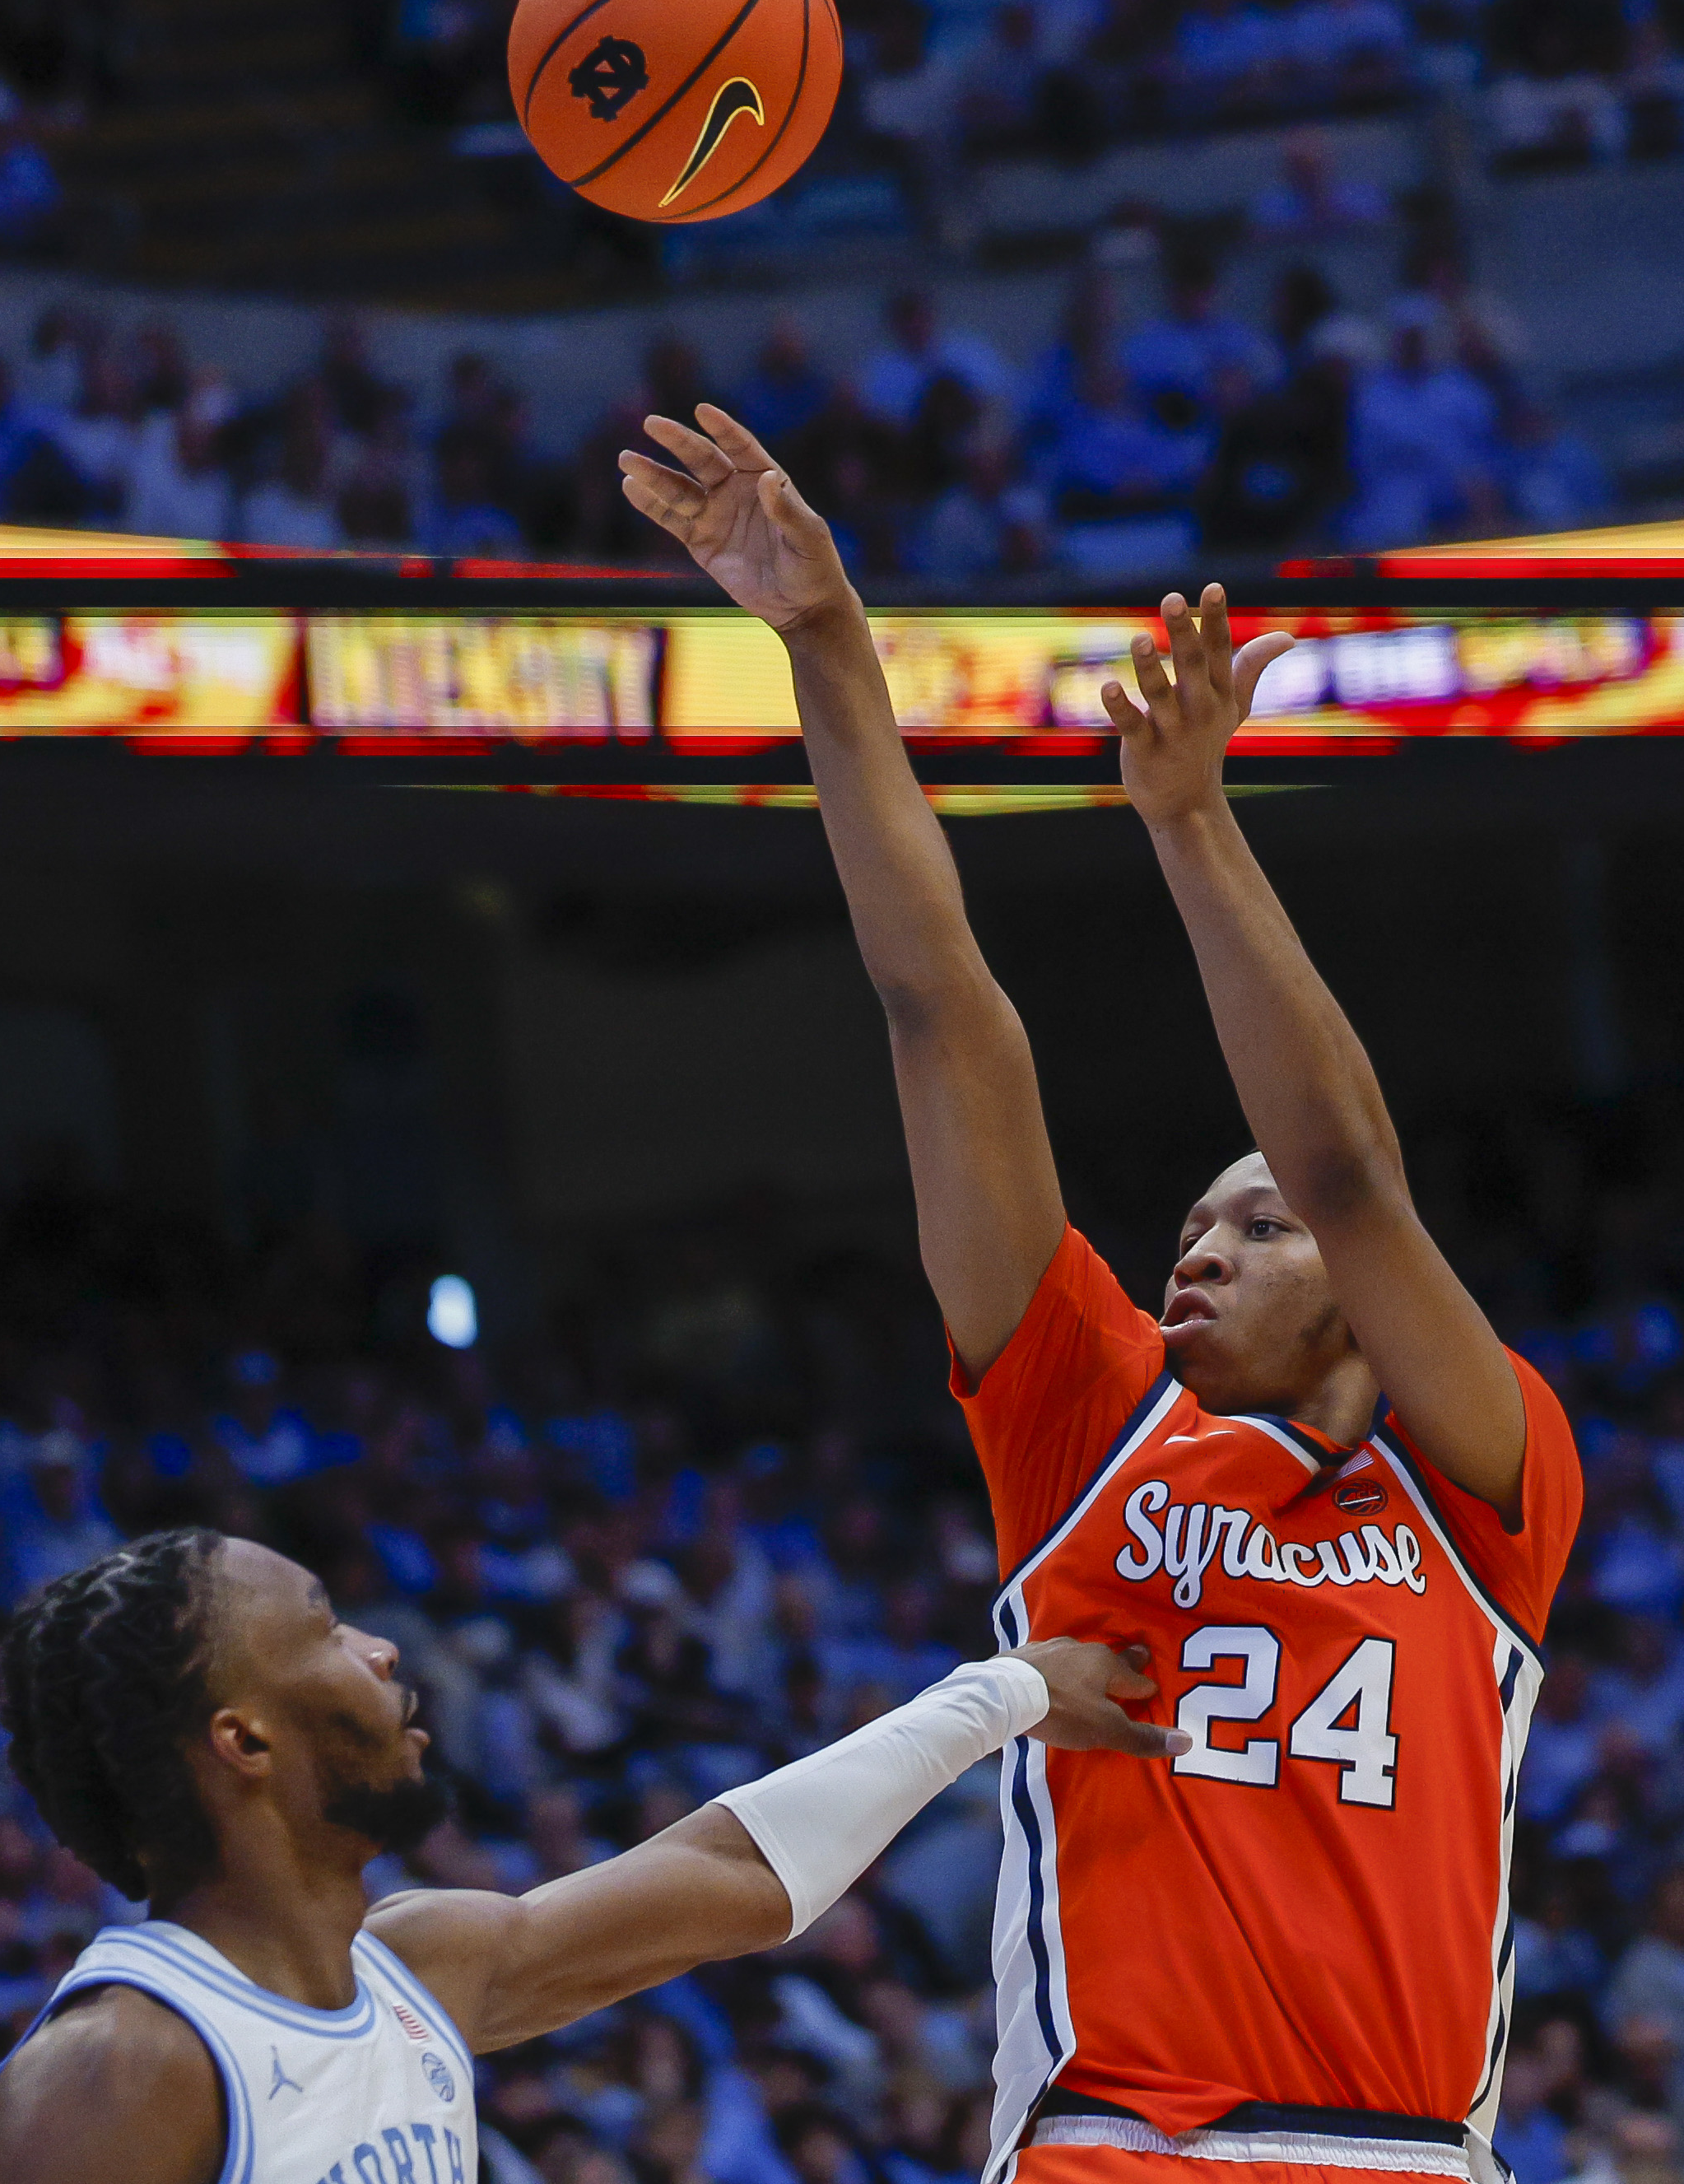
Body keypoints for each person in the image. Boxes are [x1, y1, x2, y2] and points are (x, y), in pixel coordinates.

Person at [616, 403, 1584, 2184]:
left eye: (1255, 1232)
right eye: (1185, 1237)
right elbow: (940, 1009)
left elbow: (1352, 1173)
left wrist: (1192, 824)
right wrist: (827, 643)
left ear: (1369, 1303)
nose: (1195, 1253)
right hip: (1113, 2149)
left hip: (1402, 2155)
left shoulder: (1483, 1486)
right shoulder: (1090, 1408)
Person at [0, 1528, 1180, 2184]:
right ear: (244, 1739)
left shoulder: (415, 1970)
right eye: (328, 1630)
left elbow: (743, 1880)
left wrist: (1005, 1692)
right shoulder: (120, 2070)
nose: (382, 1651)